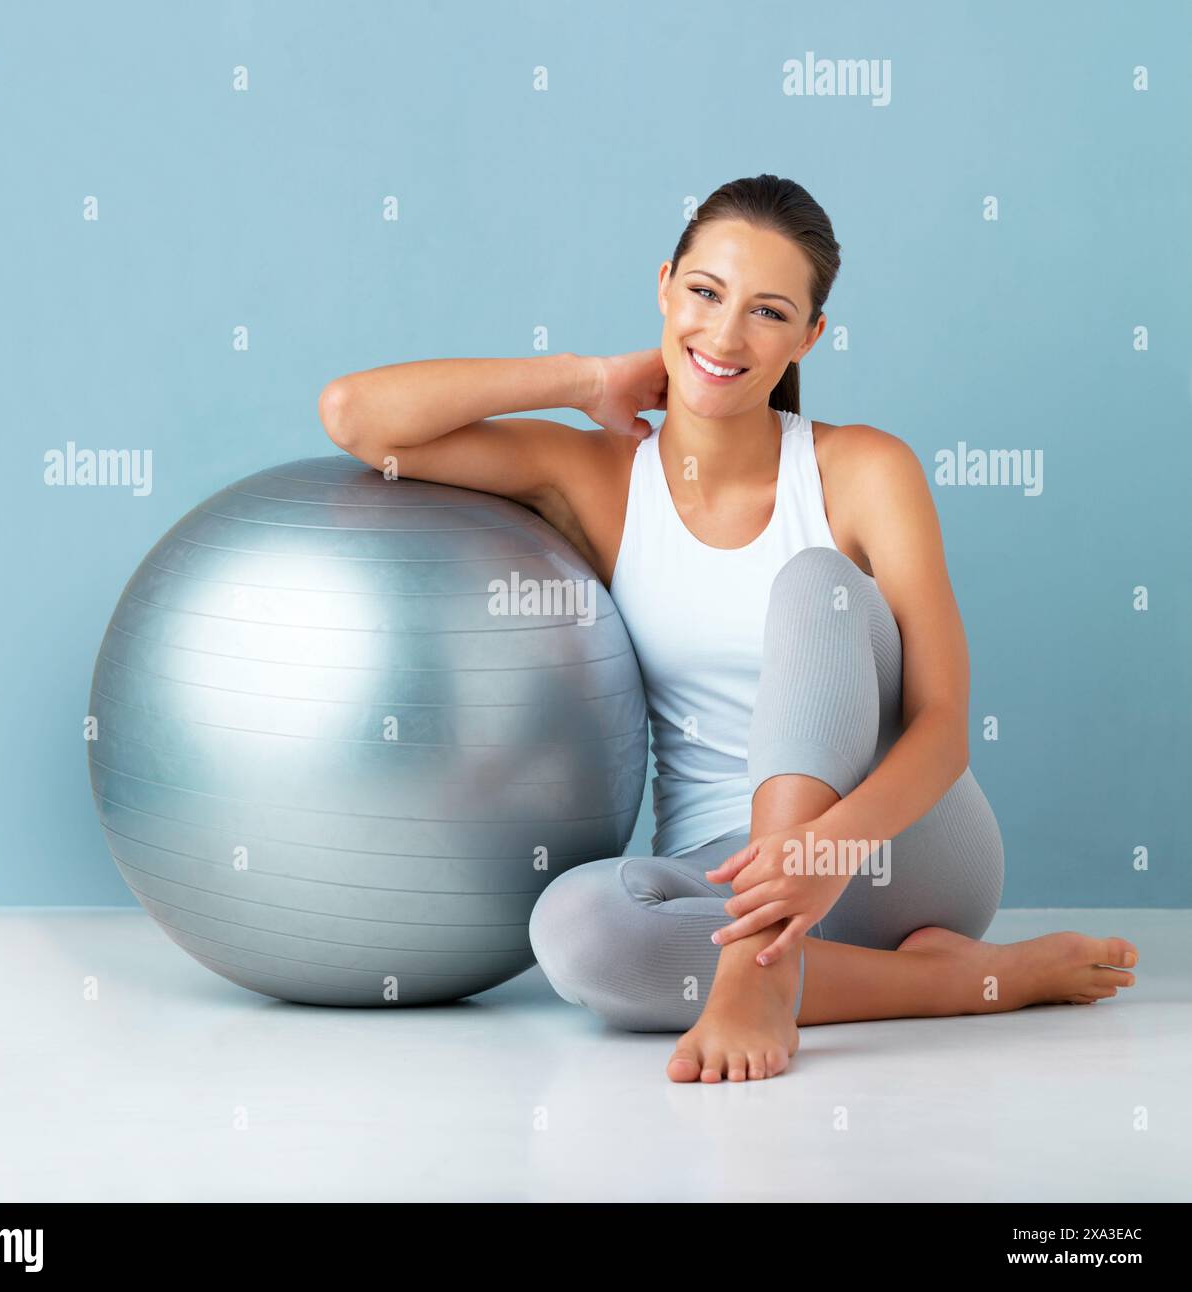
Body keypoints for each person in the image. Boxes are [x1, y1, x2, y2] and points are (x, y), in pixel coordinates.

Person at [318, 173, 1139, 1084]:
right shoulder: (597, 477)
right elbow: (356, 416)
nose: (724, 333)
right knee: (578, 932)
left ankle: (757, 974)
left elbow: (946, 725)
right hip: (715, 870)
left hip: (901, 852)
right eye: (705, 293)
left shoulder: (864, 467)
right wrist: (589, 378)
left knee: (816, 586)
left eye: (768, 312)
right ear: (664, 285)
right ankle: (955, 983)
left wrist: (823, 853)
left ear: (808, 338)